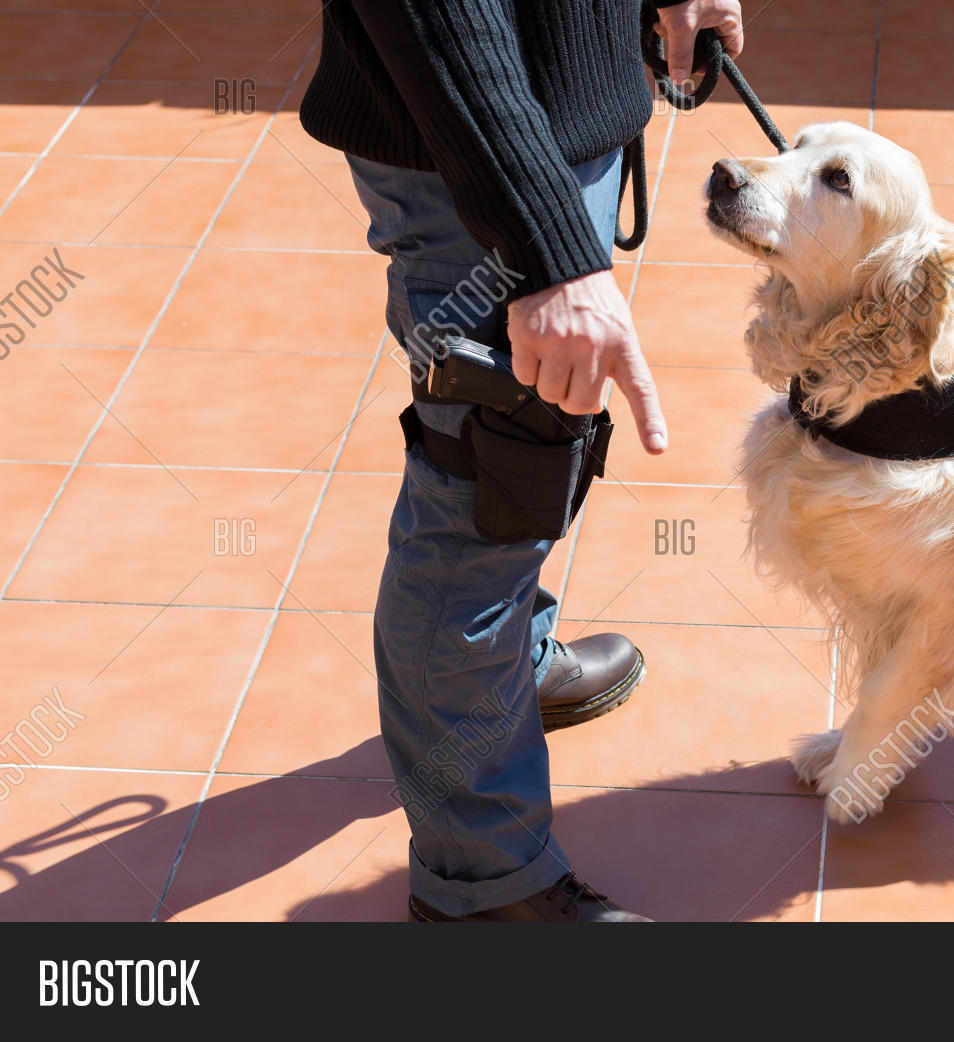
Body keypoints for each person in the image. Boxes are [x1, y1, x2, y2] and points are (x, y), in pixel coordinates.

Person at [299, 0, 745, 922]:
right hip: (472, 140)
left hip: (545, 122)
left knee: (532, 453)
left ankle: (508, 663)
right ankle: (483, 887)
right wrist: (545, 252)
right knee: (478, 501)